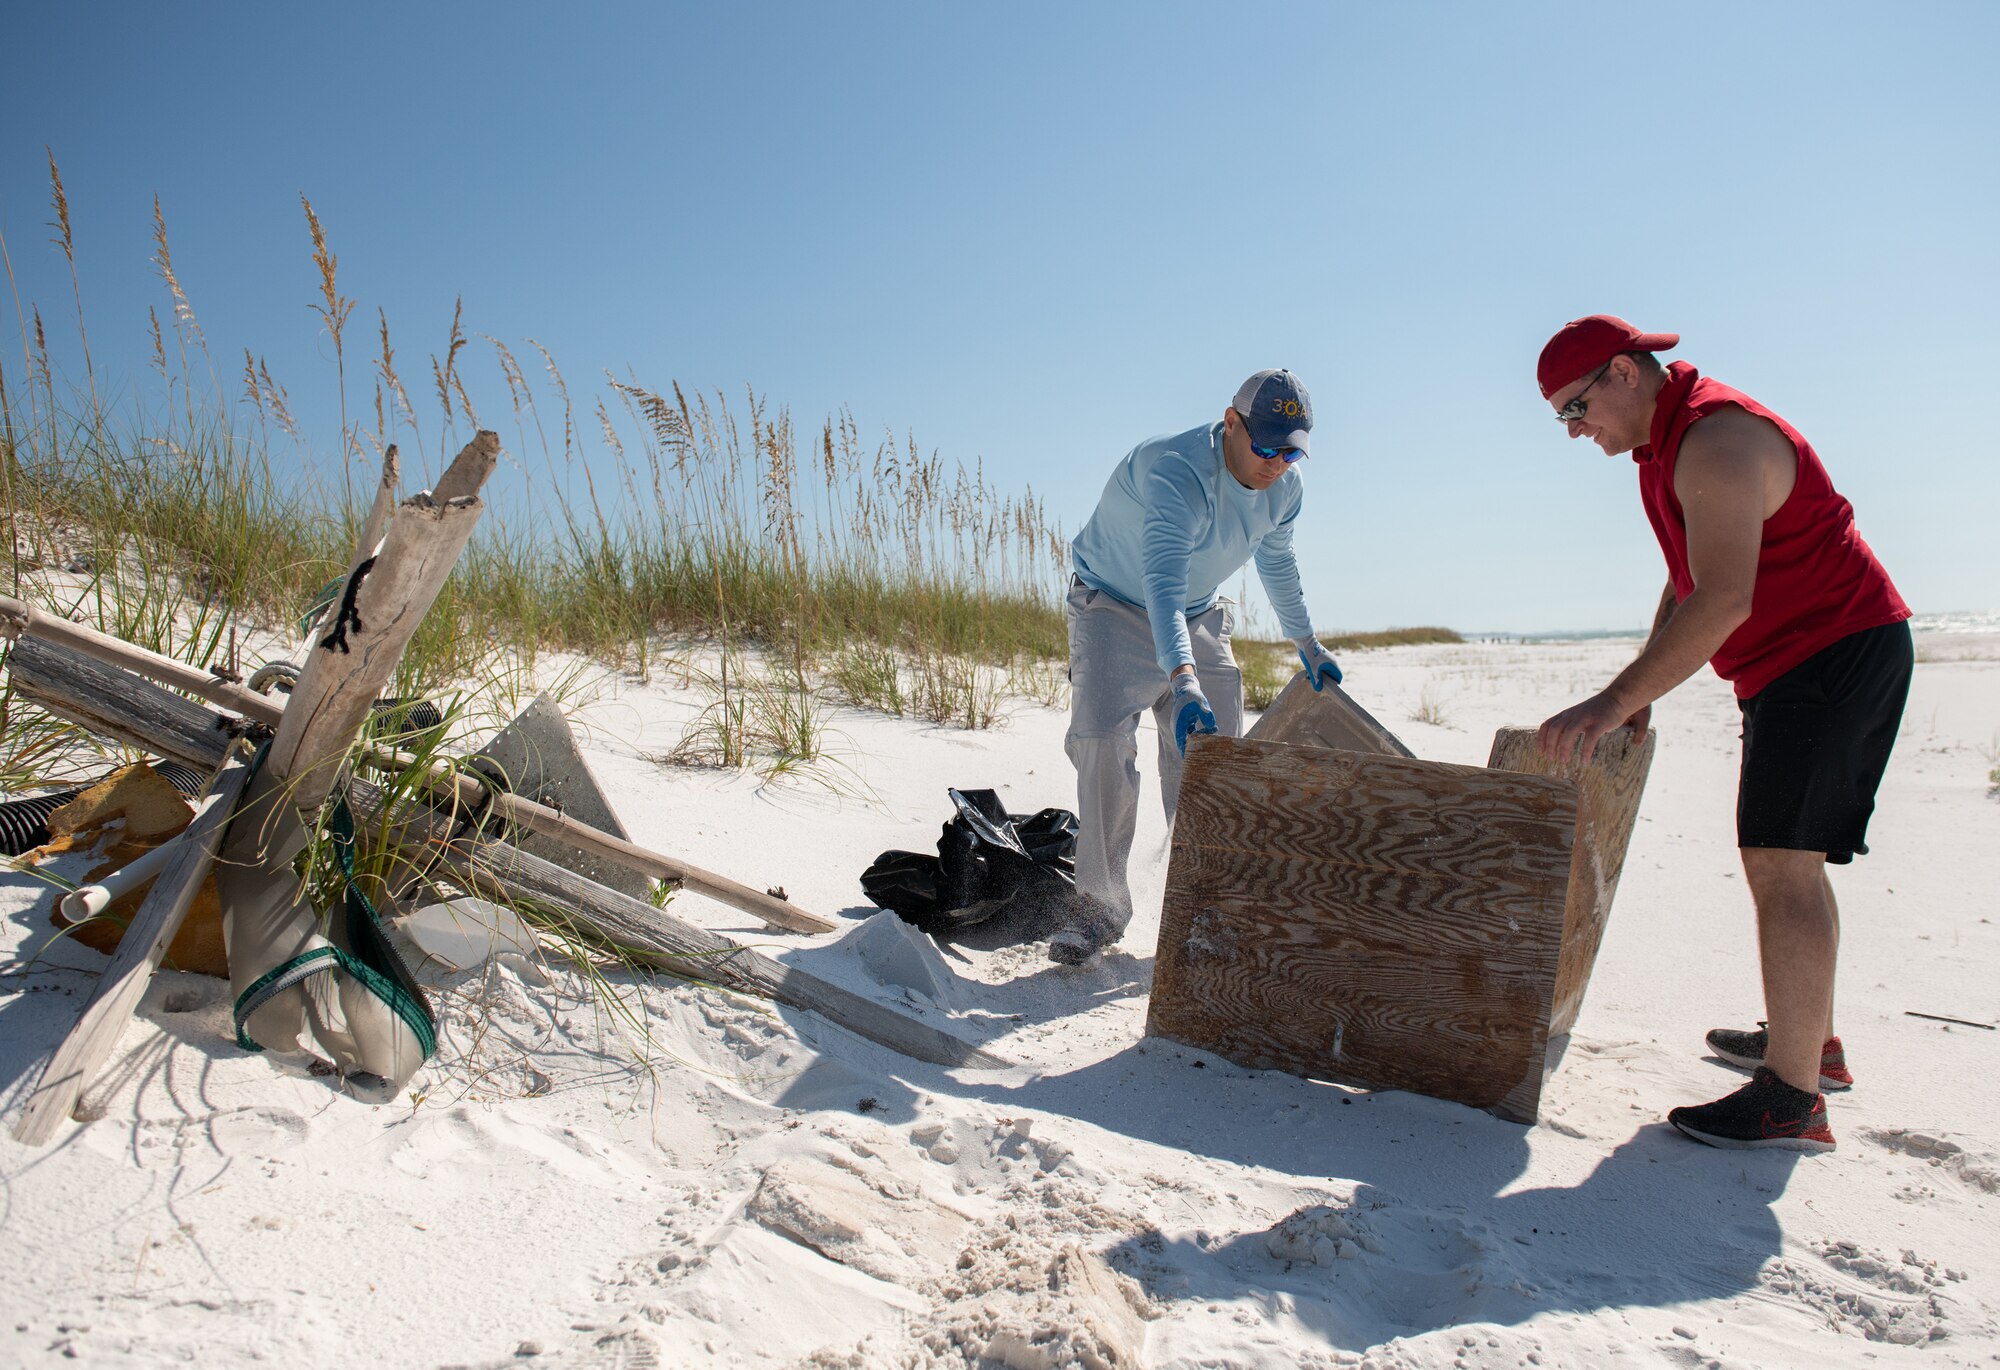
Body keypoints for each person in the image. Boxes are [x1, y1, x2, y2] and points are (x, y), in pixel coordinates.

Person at [1534, 315, 1912, 1153]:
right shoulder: (1661, 447)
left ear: (1624, 372)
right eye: (1560, 416)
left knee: (1783, 864)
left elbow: (1725, 599)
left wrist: (1610, 701)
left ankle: (1793, 1099)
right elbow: (1689, 577)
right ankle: (1810, 1043)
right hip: (1796, 663)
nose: (1573, 430)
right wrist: (1641, 689)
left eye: (1575, 407)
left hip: (1831, 652)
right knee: (1784, 860)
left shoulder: (1715, 438)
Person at [1054, 368, 1344, 966]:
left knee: (1216, 760)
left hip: (1200, 612)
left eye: (1291, 452)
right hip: (1113, 605)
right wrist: (1182, 678)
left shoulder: (1285, 489)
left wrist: (1308, 644)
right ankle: (1098, 909)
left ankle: (1207, 907)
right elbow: (1161, 580)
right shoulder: (1178, 471)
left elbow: (1278, 563)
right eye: (1266, 447)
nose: (1277, 464)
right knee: (1102, 741)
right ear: (1231, 423)